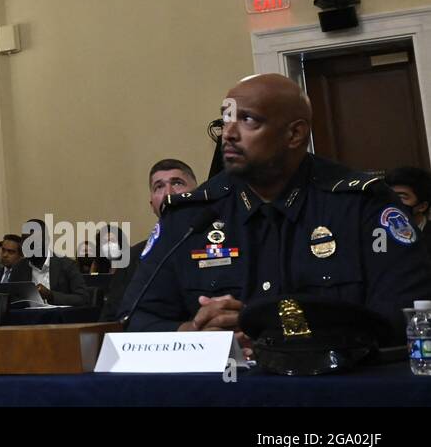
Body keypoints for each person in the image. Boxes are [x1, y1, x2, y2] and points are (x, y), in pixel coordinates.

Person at [120, 74, 431, 343]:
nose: (228, 133)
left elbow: (408, 316)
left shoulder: (362, 205)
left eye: (248, 119)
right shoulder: (191, 217)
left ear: (295, 134)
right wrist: (192, 334)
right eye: (225, 120)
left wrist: (287, 336)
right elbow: (133, 320)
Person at [101, 159, 199, 321]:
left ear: (197, 194)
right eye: (159, 187)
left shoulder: (220, 244)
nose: (168, 194)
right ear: (152, 204)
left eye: (177, 183)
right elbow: (111, 320)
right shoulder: (133, 257)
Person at [18, 219, 91, 305]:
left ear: (46, 241)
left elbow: (83, 298)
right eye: (25, 241)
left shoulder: (67, 265)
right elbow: (12, 298)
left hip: (58, 316)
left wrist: (51, 295)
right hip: (27, 316)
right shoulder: (19, 268)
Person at [387, 167, 431, 257]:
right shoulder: (379, 235)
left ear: (422, 206)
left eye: (401, 197)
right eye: (390, 196)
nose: (393, 202)